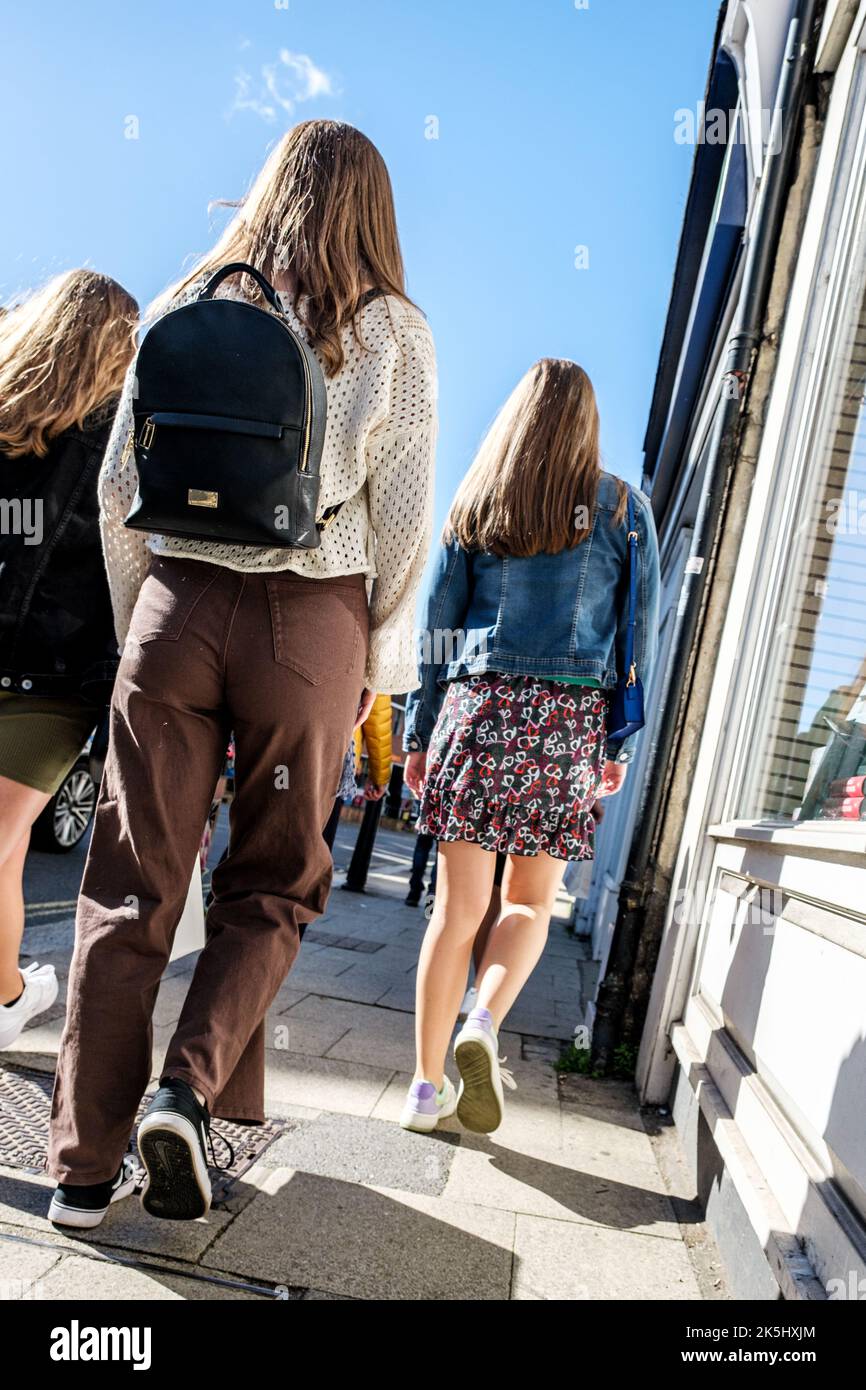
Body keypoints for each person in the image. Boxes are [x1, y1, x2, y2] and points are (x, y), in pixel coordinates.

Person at [47, 119, 438, 1228]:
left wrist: (148, 628)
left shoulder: (185, 304)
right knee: (272, 881)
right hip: (309, 629)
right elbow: (402, 524)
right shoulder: (393, 332)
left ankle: (80, 1171)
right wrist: (377, 663)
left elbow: (124, 487)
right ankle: (190, 1090)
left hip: (177, 604)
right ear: (374, 208)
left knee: (127, 888)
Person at [398, 358, 659, 1134]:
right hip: (565, 720)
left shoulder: (476, 505)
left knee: (455, 911)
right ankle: (483, 1022)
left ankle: (422, 1086)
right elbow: (634, 633)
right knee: (529, 902)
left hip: (477, 710)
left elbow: (436, 629)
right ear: (587, 423)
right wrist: (616, 731)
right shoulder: (623, 510)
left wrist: (422, 729)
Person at [0, 270, 138, 1051]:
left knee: (5, 842)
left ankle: (12, 996)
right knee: (7, 842)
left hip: (45, 677)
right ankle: (12, 996)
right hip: (57, 681)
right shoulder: (125, 438)